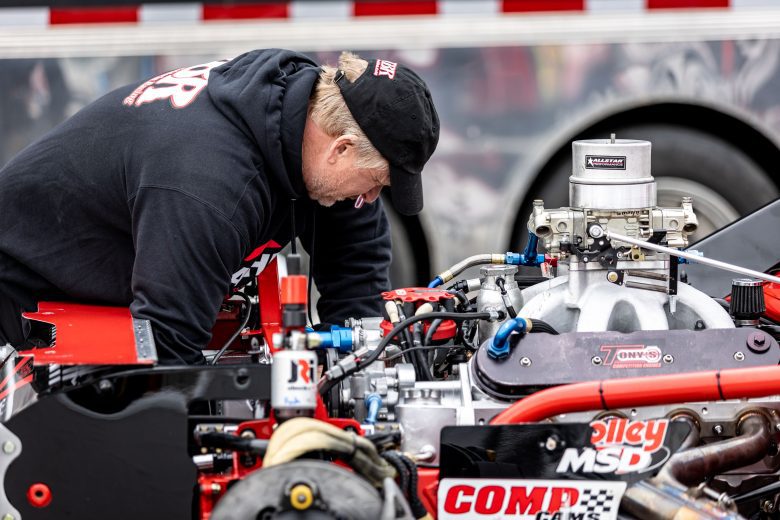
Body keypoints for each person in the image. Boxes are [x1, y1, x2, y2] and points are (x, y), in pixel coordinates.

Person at [0, 49, 439, 364]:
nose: (368, 201)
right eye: (376, 184)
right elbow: (166, 351)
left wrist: (363, 366)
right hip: (20, 298)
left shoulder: (308, 116)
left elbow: (356, 271)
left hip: (110, 291)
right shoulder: (208, 186)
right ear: (340, 149)